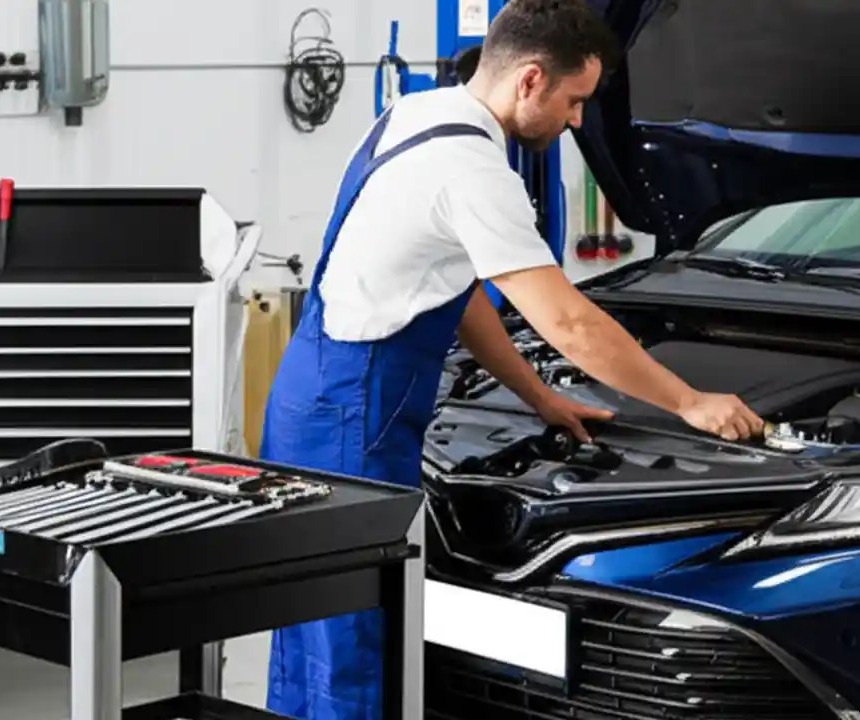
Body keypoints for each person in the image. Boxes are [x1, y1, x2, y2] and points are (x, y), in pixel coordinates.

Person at [257, 0, 765, 717]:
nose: (579, 122)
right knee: (350, 646)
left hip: (313, 395)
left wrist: (540, 399)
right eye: (575, 100)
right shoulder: (472, 167)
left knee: (313, 630)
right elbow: (568, 322)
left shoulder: (416, 114)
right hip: (354, 415)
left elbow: (456, 292)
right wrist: (689, 402)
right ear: (531, 80)